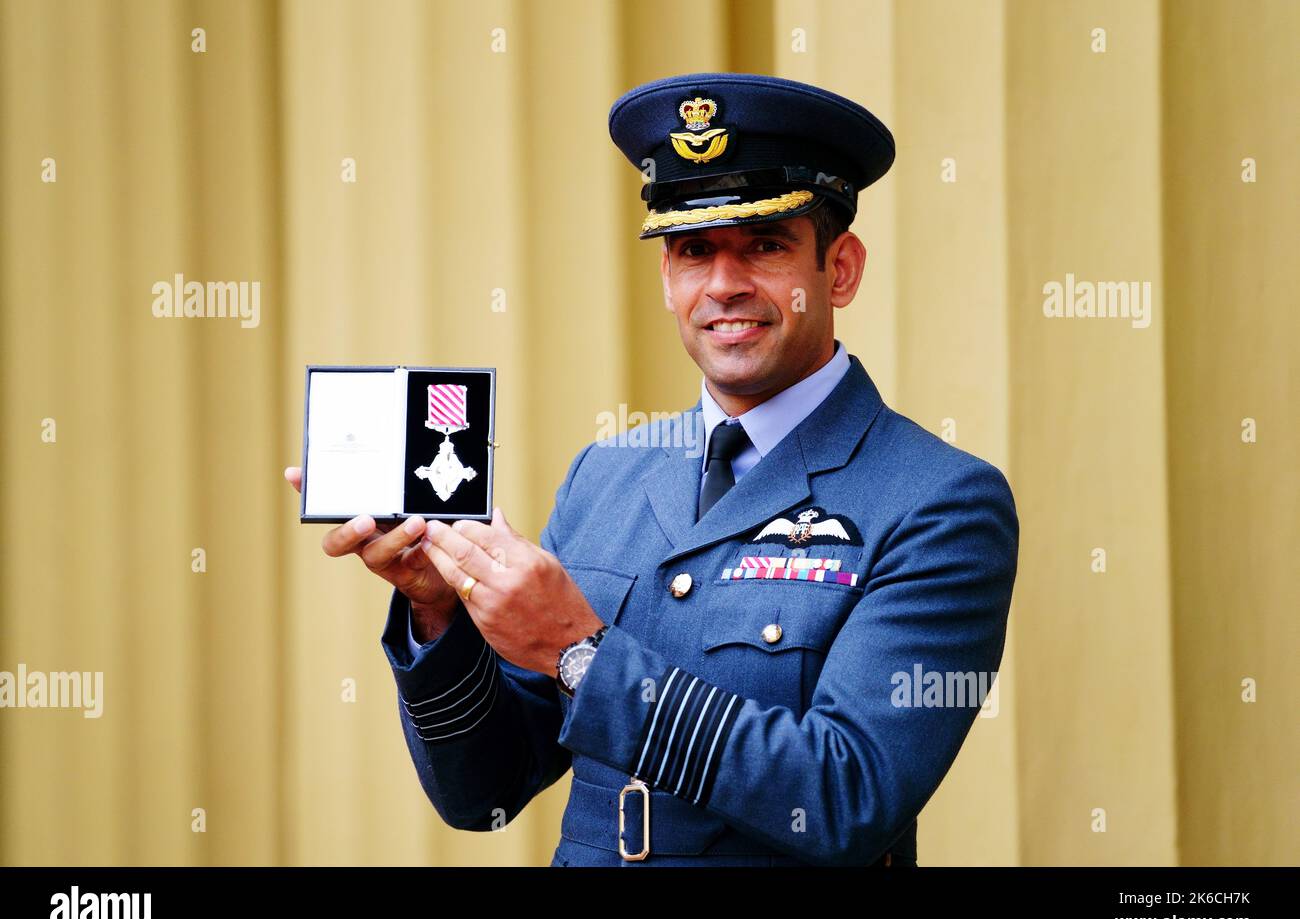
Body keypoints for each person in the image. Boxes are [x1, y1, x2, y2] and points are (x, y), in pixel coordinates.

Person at [285, 71, 1018, 866]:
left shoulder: (939, 500)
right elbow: (484, 794)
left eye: (765, 246)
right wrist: (437, 614)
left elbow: (847, 797)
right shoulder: (607, 472)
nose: (723, 284)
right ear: (667, 277)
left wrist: (580, 652)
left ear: (838, 271)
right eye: (694, 251)